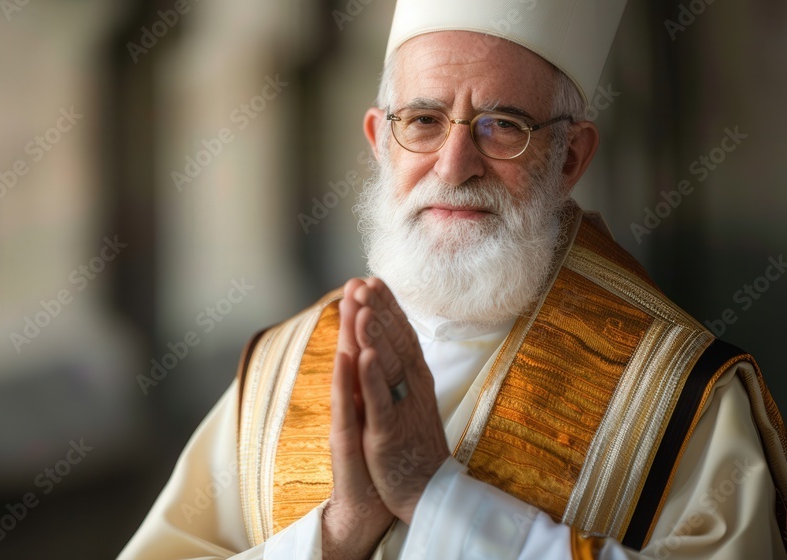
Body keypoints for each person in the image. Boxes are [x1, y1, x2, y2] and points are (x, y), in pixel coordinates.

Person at [119, 0, 787, 557]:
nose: (454, 164)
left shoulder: (680, 395)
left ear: (571, 158)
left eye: (503, 126)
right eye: (424, 121)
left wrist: (436, 497)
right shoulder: (279, 372)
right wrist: (335, 533)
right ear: (380, 138)